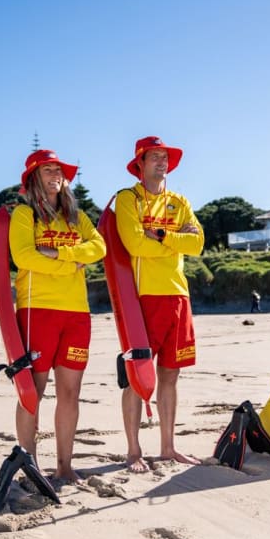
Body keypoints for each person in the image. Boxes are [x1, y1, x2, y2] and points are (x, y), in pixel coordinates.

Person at [9, 149, 106, 483]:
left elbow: (99, 247)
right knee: (32, 392)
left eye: (59, 170)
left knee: (70, 393)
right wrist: (71, 263)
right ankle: (30, 465)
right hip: (38, 310)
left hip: (77, 313)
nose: (55, 175)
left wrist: (57, 252)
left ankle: (64, 466)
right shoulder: (25, 215)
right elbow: (24, 257)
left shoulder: (76, 217)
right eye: (47, 170)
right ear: (34, 178)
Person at [115, 136, 204, 472]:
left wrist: (163, 236)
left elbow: (197, 244)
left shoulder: (179, 202)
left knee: (170, 375)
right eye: (154, 156)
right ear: (140, 163)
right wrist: (175, 242)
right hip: (142, 298)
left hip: (178, 295)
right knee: (137, 377)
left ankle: (168, 447)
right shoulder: (129, 199)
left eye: (165, 156)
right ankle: (133, 451)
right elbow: (135, 244)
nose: (162, 161)